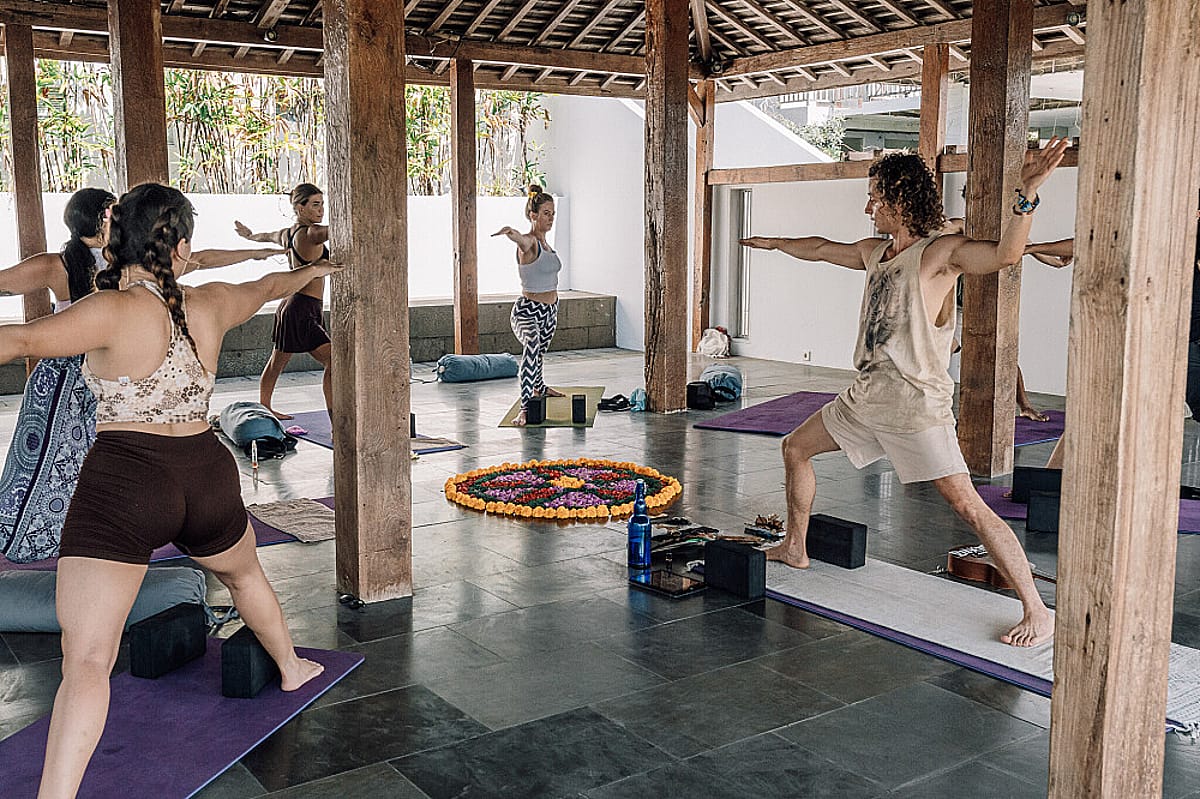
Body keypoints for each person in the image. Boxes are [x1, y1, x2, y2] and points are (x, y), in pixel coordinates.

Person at [0, 184, 334, 798]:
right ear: (179, 247)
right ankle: (290, 668)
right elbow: (269, 287)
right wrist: (320, 268)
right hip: (205, 472)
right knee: (245, 576)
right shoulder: (208, 302)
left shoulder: (109, 309)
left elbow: (15, 341)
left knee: (89, 661)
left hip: (126, 483)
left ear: (116, 242)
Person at [740, 138, 1070, 647]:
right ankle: (795, 546)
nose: (868, 207)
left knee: (969, 507)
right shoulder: (877, 254)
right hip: (866, 399)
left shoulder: (939, 255)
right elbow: (825, 249)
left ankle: (1036, 608)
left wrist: (1026, 194)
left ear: (899, 200)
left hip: (916, 409)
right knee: (795, 448)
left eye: (874, 197)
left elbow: (1006, 254)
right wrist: (773, 243)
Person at [0, 189, 282, 564]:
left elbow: (201, 259)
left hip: (121, 380)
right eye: (109, 211)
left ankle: (122, 533)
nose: (114, 217)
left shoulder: (141, 259)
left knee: (108, 467)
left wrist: (255, 252)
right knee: (50, 465)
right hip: (68, 382)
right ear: (95, 219)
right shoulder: (59, 264)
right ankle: (41, 535)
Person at [941, 215, 1074, 421]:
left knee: (1004, 354)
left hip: (986, 302)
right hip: (958, 305)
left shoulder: (1004, 230)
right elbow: (943, 232)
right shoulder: (962, 225)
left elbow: (1027, 245)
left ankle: (1025, 406)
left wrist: (1053, 261)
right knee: (941, 347)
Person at [234, 183, 331, 420]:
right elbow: (345, 227)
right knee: (335, 363)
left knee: (278, 360)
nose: (321, 210)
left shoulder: (287, 233)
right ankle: (337, 422)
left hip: (295, 305)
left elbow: (264, 236)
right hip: (302, 308)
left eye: (322, 204)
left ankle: (264, 407)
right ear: (300, 207)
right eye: (315, 205)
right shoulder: (311, 233)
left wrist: (249, 235)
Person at [492, 184, 564, 426]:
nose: (550, 218)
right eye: (546, 213)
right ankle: (524, 408)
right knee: (531, 348)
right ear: (533, 215)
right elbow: (520, 240)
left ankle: (539, 387)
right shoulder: (531, 242)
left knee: (539, 353)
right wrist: (511, 233)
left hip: (550, 310)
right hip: (527, 311)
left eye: (552, 213)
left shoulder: (547, 245)